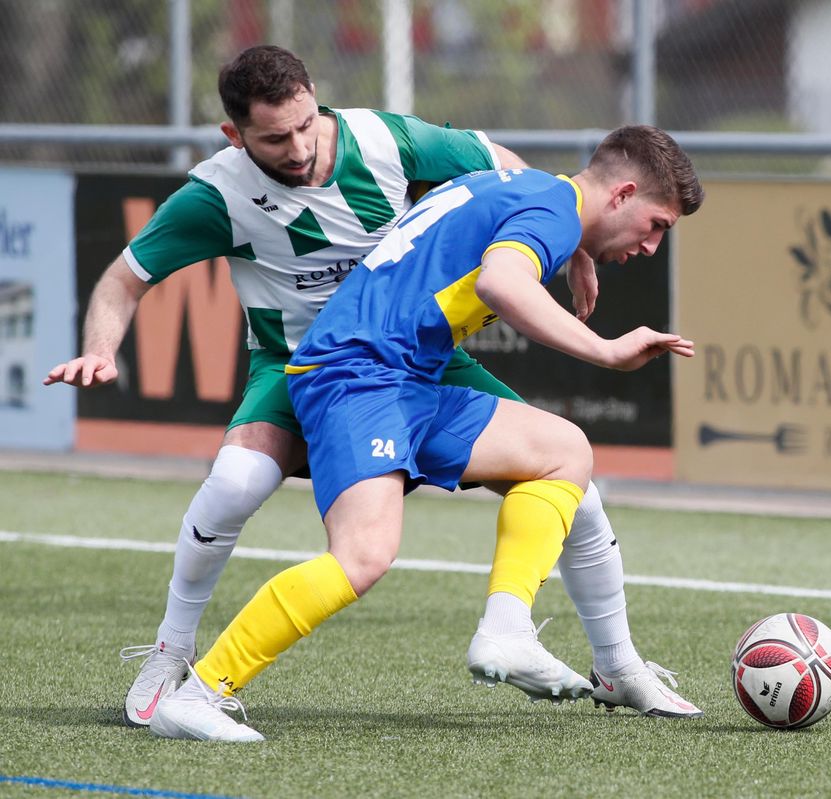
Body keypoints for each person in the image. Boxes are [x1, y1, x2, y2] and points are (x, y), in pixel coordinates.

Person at [44, 46, 701, 726]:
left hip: (405, 362)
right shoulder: (216, 194)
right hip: (329, 363)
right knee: (304, 521)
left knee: (568, 460)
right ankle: (180, 662)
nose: (299, 147)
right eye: (276, 137)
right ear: (235, 137)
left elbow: (515, 175)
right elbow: (506, 277)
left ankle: (599, 661)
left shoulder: (398, 144)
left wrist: (580, 240)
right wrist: (606, 347)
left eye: (307, 125)